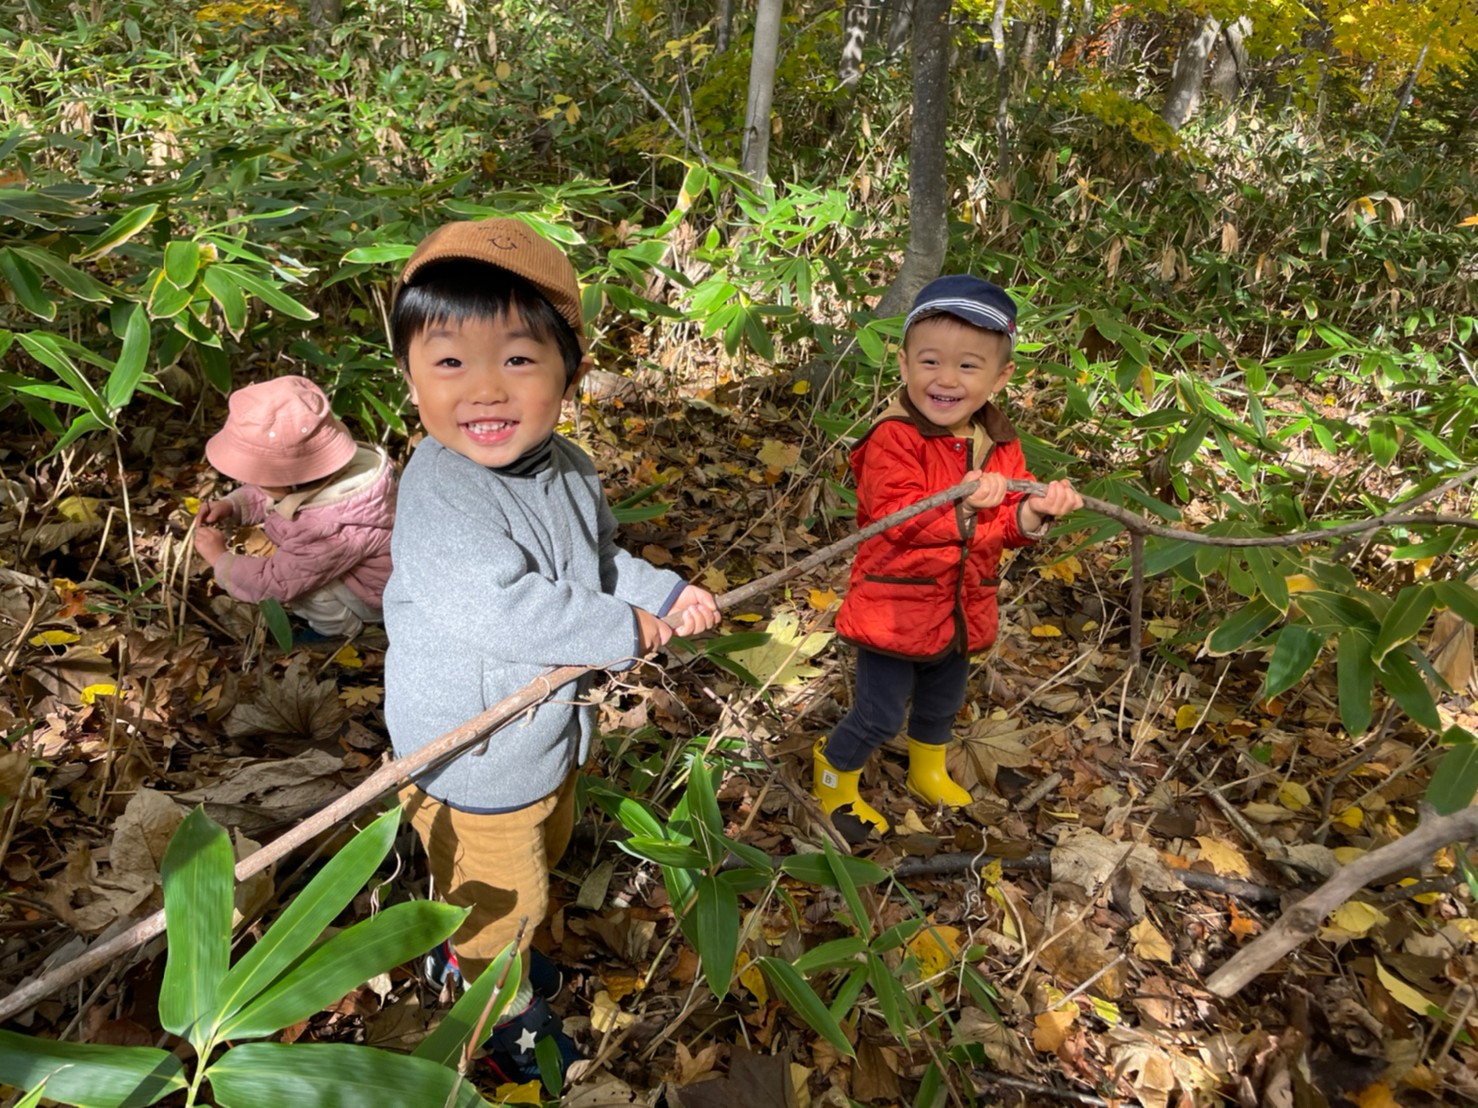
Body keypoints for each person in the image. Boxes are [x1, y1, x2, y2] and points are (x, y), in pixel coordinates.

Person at [382, 217, 721, 1085]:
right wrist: (619, 633)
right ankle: (497, 1021)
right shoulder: (440, 490)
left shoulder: (566, 467)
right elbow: (502, 606)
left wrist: (662, 595)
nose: (485, 390)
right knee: (507, 895)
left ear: (568, 370)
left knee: (546, 840)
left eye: (520, 359)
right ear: (411, 378)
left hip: (544, 732)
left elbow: (598, 561)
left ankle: (467, 948)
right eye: (450, 362)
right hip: (474, 748)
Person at [816, 275, 1083, 835]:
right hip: (895, 608)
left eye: (968, 366)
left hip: (963, 606)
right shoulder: (894, 436)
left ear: (1000, 376)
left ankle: (927, 768)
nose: (945, 379)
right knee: (880, 712)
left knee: (943, 702)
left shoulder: (1000, 442)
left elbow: (1008, 523)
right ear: (906, 364)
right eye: (931, 361)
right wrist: (966, 504)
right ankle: (835, 777)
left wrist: (1035, 512)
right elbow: (895, 518)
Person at [194, 375, 396, 640]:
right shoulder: (343, 478)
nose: (250, 482)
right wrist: (232, 506)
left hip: (374, 594)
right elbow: (275, 493)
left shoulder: (328, 528)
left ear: (290, 482)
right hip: (367, 572)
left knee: (307, 590)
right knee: (304, 573)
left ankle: (337, 632)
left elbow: (277, 583)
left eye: (258, 478)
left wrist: (219, 559)